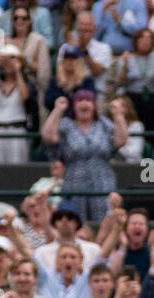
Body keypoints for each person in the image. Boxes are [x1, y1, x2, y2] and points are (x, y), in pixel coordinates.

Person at [41, 90, 128, 224]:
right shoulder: (66, 124)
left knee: (104, 221)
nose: (84, 103)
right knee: (76, 222)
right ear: (74, 106)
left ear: (94, 106)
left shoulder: (103, 123)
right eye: (80, 100)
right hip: (74, 181)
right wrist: (57, 110)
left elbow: (121, 140)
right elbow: (48, 136)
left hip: (102, 181)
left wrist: (118, 115)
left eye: (88, 100)